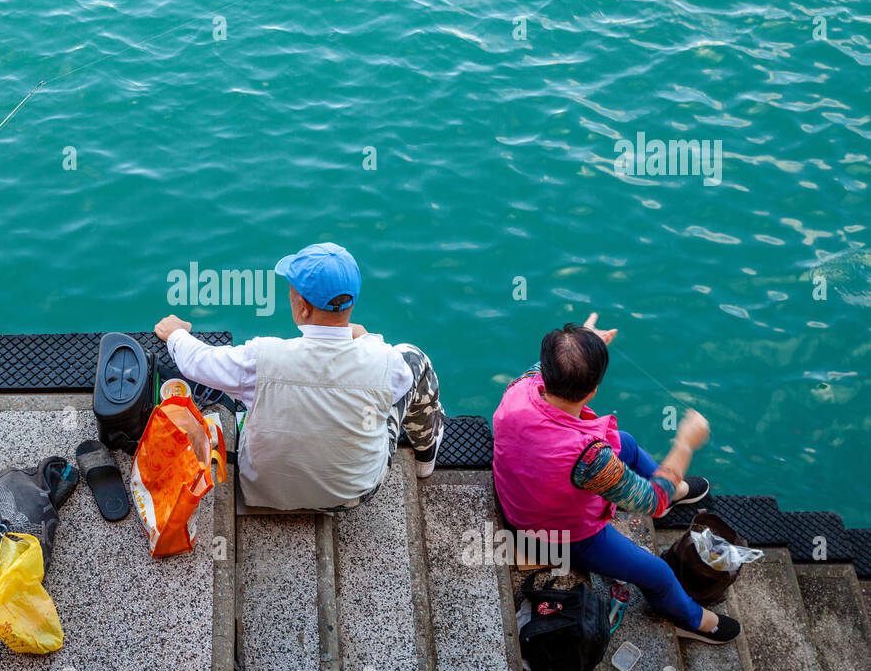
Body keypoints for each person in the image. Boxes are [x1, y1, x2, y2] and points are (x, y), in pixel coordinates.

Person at [493, 314, 739, 644]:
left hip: (521, 492)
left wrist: (581, 344)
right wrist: (684, 443)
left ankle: (677, 488)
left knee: (627, 442)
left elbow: (546, 367)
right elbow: (653, 502)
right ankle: (692, 619)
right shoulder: (590, 458)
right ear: (593, 391)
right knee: (659, 574)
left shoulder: (520, 389)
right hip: (556, 535)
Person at [153, 242, 444, 512]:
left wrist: (175, 333)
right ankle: (425, 457)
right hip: (352, 495)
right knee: (415, 359)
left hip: (264, 490)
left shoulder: (261, 359)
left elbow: (197, 363)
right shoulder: (384, 361)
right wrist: (366, 339)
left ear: (303, 307)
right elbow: (394, 380)